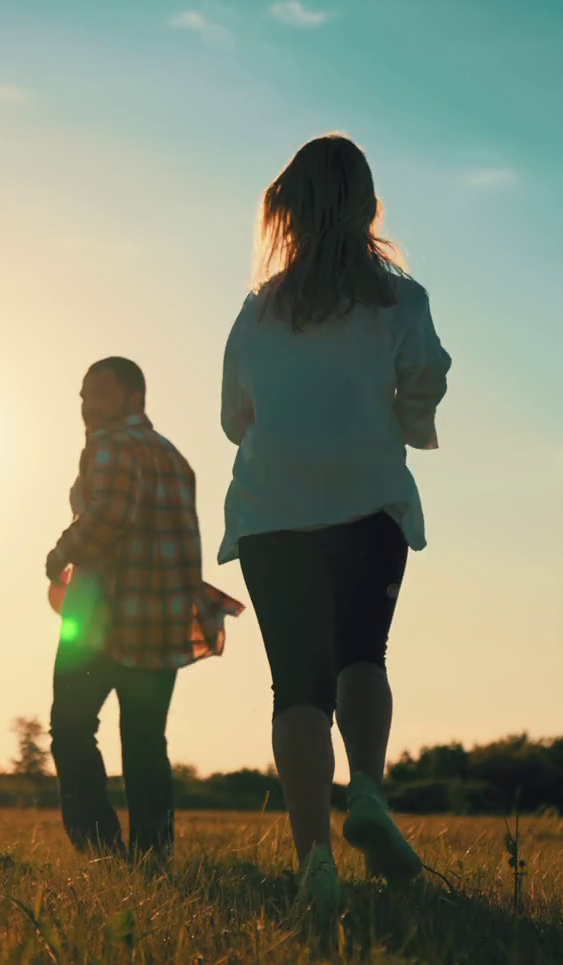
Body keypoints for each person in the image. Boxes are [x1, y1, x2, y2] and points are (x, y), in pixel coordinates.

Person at [219, 134, 452, 911]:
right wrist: (404, 424)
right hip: (367, 500)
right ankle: (371, 794)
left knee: (296, 687)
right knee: (363, 656)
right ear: (366, 206)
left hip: (272, 509)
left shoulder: (258, 312)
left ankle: (315, 862)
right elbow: (427, 380)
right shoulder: (400, 301)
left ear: (286, 211)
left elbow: (234, 418)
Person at [44, 357, 243, 859]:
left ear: (135, 398)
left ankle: (101, 848)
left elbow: (108, 513)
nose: (89, 407)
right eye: (84, 396)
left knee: (70, 728)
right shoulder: (174, 456)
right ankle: (153, 854)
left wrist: (59, 555)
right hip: (164, 623)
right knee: (146, 741)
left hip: (101, 621)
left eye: (101, 395)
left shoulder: (111, 444)